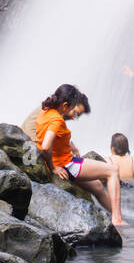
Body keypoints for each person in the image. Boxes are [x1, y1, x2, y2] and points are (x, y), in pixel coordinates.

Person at [37, 84, 125, 228]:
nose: (74, 114)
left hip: (61, 160)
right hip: (66, 165)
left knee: (97, 186)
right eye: (73, 108)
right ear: (65, 105)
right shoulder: (57, 121)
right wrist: (53, 168)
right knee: (112, 171)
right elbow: (46, 145)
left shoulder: (46, 112)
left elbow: (50, 138)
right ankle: (118, 219)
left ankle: (114, 213)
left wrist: (70, 147)